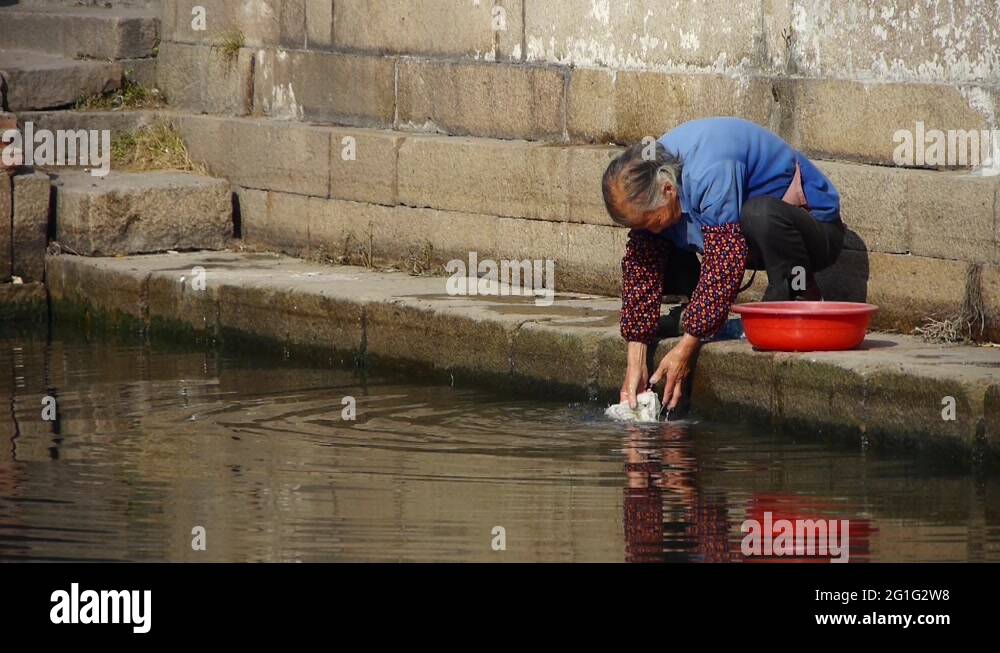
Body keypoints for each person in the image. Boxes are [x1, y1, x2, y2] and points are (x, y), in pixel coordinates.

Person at [602, 117, 846, 411]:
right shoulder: (653, 170)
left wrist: (687, 347)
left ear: (667, 190)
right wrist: (636, 361)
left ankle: (799, 293)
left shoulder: (710, 168)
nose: (652, 229)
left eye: (651, 220)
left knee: (760, 215)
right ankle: (699, 311)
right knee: (649, 246)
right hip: (743, 238)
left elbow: (724, 259)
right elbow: (642, 264)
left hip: (812, 233)